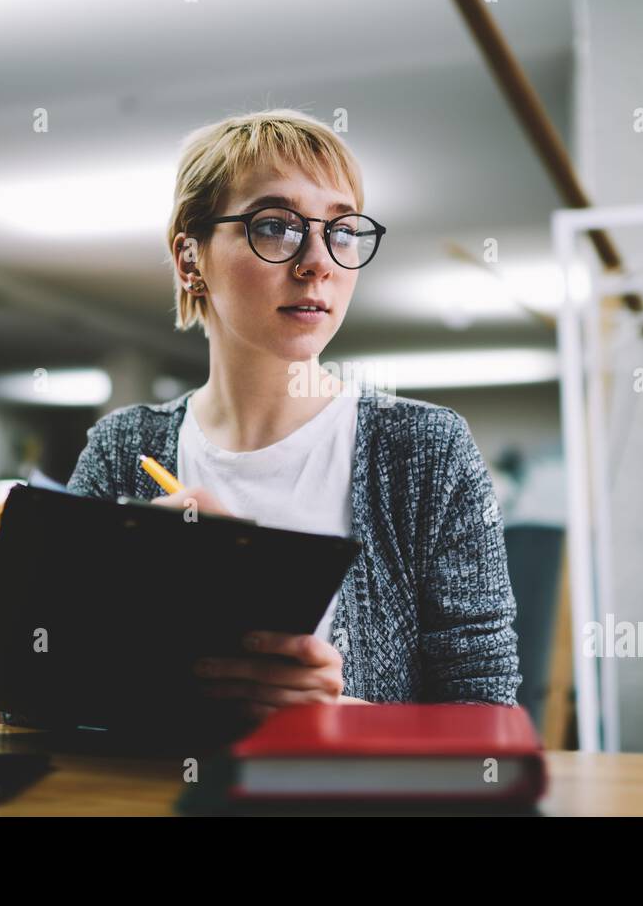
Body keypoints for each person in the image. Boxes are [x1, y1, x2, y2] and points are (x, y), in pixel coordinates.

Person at [65, 109, 521, 721]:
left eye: (341, 231)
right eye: (275, 226)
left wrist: (337, 713)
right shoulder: (124, 448)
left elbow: (487, 718)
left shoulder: (424, 448)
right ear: (189, 260)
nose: (318, 261)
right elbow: (42, 691)